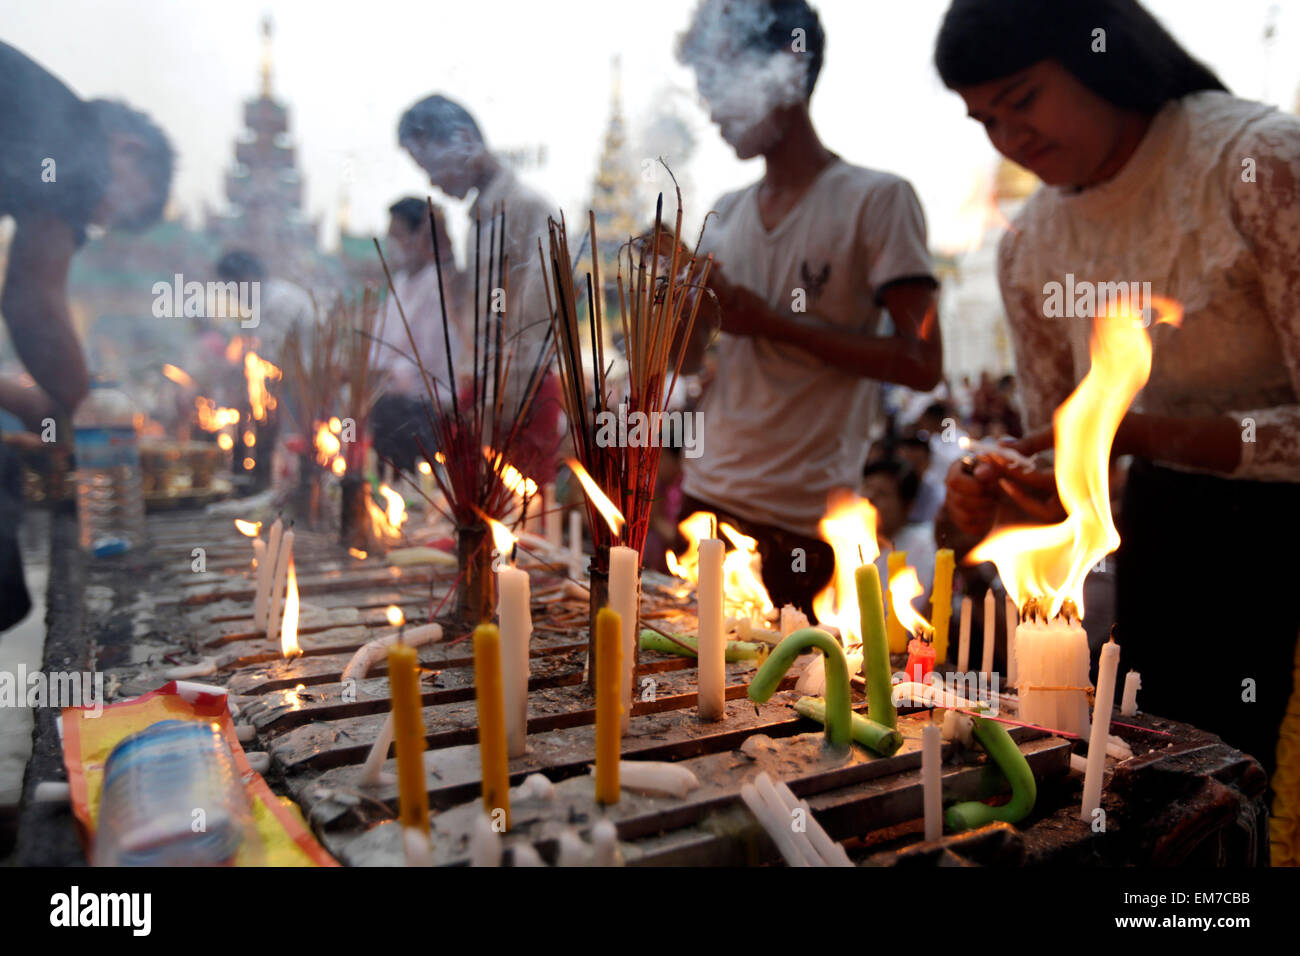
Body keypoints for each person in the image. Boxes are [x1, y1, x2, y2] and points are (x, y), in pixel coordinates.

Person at [935, 0, 1300, 781]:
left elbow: (1108, 441)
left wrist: (1139, 434)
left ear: (1098, 52)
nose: (1011, 138)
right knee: (1172, 797)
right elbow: (1068, 492)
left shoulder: (1259, 163)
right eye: (986, 121)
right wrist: (993, 493)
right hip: (1162, 553)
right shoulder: (1030, 245)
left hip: (1287, 553)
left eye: (1023, 100)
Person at [673, 0, 942, 618]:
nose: (711, 110)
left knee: (783, 707)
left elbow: (922, 362)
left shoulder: (876, 201)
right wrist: (679, 309)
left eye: (718, 84)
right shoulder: (726, 212)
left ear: (785, 72)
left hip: (800, 518)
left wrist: (768, 321)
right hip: (704, 496)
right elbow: (683, 362)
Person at [0, 40, 173, 630]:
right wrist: (91, 415)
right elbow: (32, 301)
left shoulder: (37, 123)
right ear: (128, 149)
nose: (90, 227)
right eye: (105, 214)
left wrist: (19, 397)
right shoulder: (73, 144)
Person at [397, 95, 562, 482]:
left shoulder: (529, 209)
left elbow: (534, 327)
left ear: (463, 139)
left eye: (432, 165)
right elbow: (471, 323)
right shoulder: (479, 221)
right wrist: (445, 259)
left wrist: (496, 409)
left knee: (523, 531)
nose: (433, 181)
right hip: (485, 395)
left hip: (520, 400)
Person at [370, 197, 464, 474]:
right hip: (388, 406)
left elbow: (428, 362)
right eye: (390, 235)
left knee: (412, 498)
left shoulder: (438, 286)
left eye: (398, 235)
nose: (392, 243)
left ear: (421, 238)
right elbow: (380, 344)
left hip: (422, 414)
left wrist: (382, 374)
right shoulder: (400, 282)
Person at [862, 458, 935, 603]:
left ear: (907, 506)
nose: (869, 498)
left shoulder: (924, 547)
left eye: (882, 494)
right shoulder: (846, 540)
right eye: (866, 488)